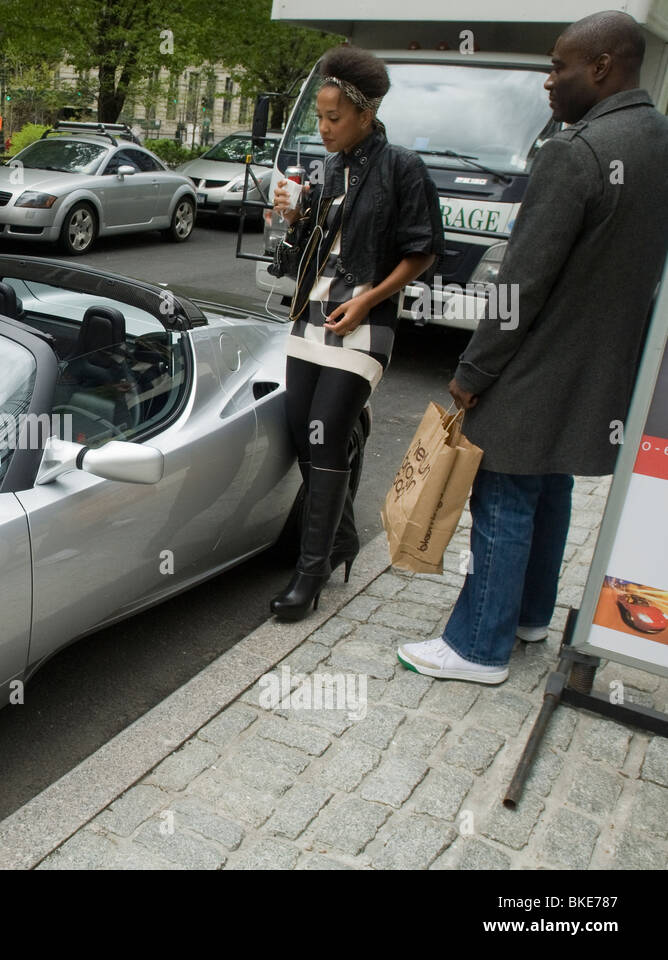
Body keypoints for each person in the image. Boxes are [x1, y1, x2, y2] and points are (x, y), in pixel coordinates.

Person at [398, 10, 668, 683]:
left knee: (504, 492)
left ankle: (478, 647)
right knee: (549, 487)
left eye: (559, 67)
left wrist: (473, 369)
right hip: (601, 365)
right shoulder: (658, 138)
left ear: (602, 66)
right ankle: (529, 617)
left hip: (535, 365)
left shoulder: (574, 151)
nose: (549, 81)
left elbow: (520, 282)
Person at [269, 45, 443, 621]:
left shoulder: (402, 168)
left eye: (333, 118)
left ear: (366, 115)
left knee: (324, 434)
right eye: (318, 117)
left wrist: (368, 299)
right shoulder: (331, 168)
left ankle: (310, 572)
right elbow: (315, 247)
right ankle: (340, 539)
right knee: (301, 429)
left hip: (364, 322)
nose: (322, 128)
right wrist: (295, 216)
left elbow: (422, 252)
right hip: (311, 314)